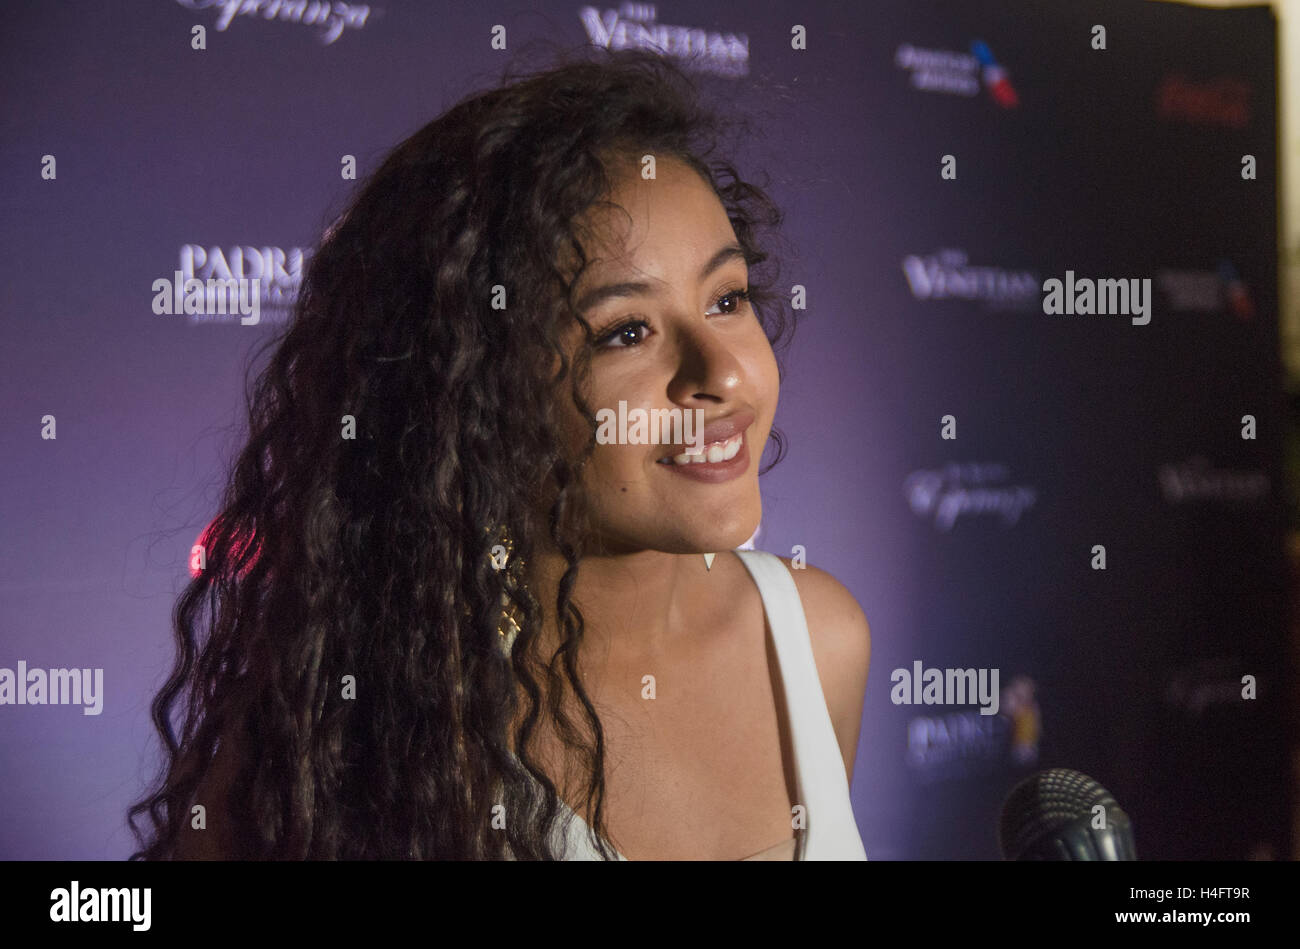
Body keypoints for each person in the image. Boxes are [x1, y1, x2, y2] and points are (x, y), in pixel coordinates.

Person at [127, 46, 870, 861]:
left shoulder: (819, 639)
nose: (724, 371)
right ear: (480, 392)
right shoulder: (358, 731)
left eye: (728, 299)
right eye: (626, 332)